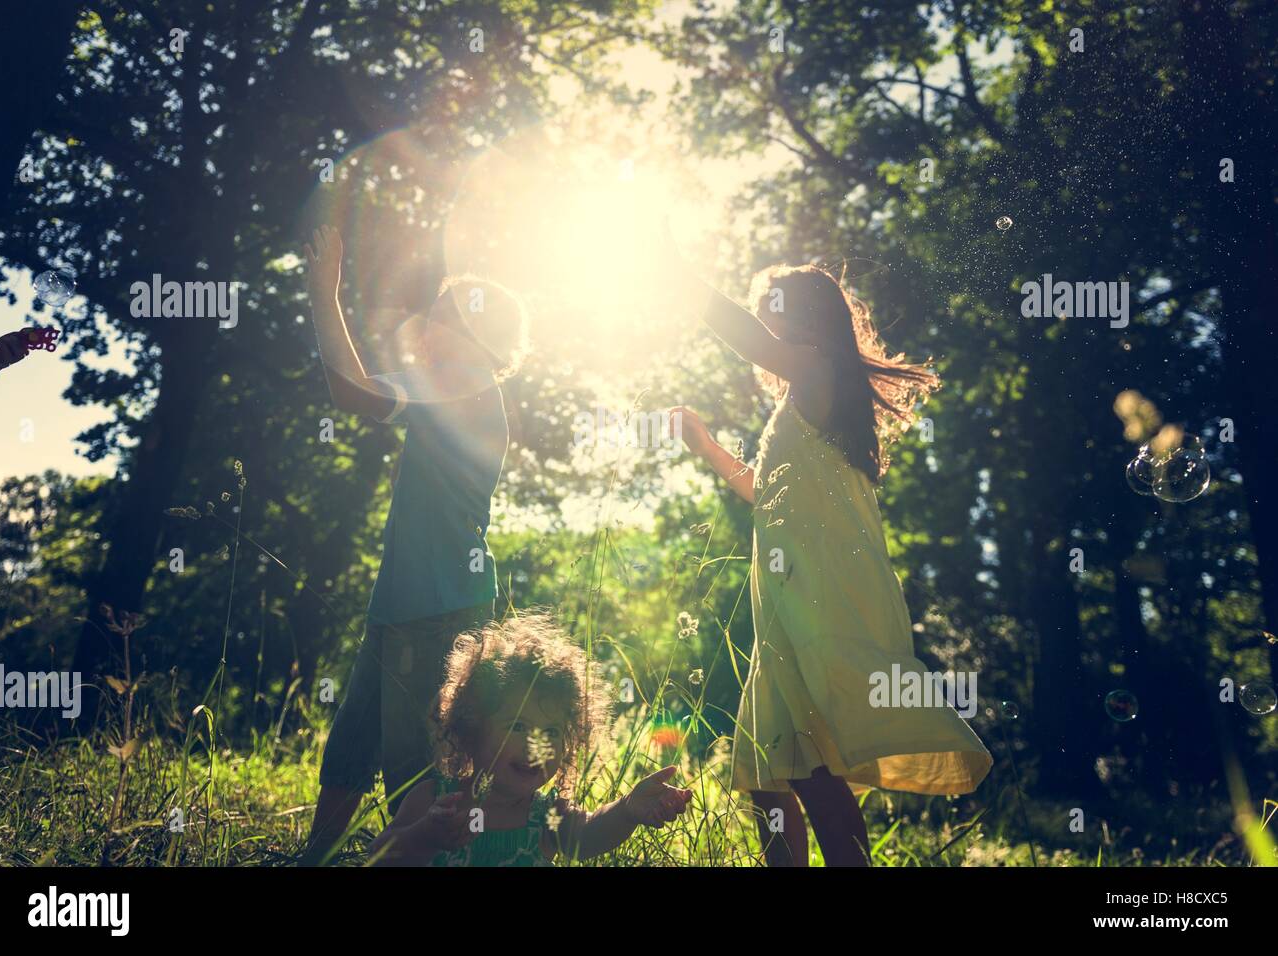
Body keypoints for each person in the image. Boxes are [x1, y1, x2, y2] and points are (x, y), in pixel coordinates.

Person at [669, 260, 992, 866]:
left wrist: (679, 274)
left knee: (807, 766)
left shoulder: (818, 371)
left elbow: (748, 340)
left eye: (775, 300)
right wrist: (709, 448)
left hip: (816, 603)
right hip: (788, 607)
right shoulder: (800, 399)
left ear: (812, 314)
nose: (765, 310)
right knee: (771, 771)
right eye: (762, 300)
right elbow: (764, 489)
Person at [302, 225, 530, 863]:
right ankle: (315, 856)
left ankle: (397, 860)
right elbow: (352, 385)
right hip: (398, 606)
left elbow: (348, 390)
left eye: (437, 319)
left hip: (436, 611)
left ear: (476, 337)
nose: (423, 331)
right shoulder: (448, 386)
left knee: (415, 768)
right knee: (350, 747)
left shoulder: (464, 383)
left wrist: (324, 290)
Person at [368, 611, 692, 866]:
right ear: (471, 727)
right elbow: (378, 857)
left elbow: (589, 835)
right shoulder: (437, 799)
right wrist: (424, 835)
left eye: (551, 732)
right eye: (518, 727)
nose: (536, 745)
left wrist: (626, 810)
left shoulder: (548, 815)